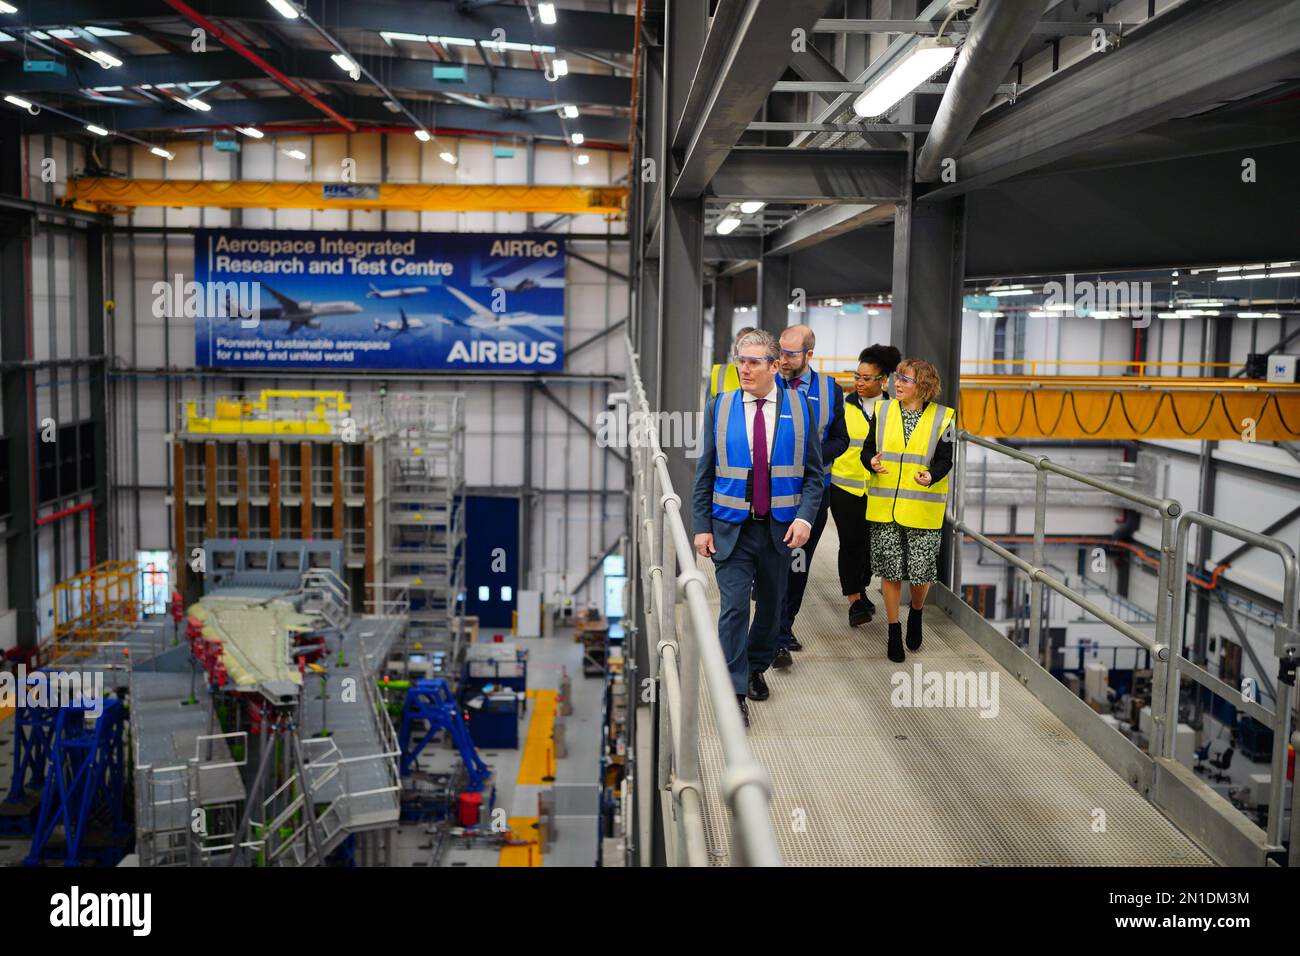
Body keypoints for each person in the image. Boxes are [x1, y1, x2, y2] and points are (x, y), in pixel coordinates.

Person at [693, 329, 824, 726]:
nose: (744, 369)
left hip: (778, 530)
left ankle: (755, 666)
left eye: (753, 362)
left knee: (771, 608)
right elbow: (705, 472)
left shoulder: (801, 407)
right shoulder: (721, 405)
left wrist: (804, 518)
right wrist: (701, 526)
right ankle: (734, 692)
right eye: (740, 361)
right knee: (732, 609)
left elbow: (815, 476)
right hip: (731, 527)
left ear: (773, 365)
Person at [860, 358, 956, 663]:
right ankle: (893, 631)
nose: (896, 384)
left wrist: (932, 475)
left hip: (922, 509)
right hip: (885, 507)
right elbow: (866, 449)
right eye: (897, 378)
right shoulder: (883, 410)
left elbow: (945, 459)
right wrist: (870, 462)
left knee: (919, 573)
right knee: (890, 572)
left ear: (923, 386)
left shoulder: (944, 418)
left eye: (905, 380)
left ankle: (916, 613)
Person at [772, 325, 848, 669]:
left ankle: (782, 629)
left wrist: (811, 455)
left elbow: (841, 438)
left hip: (812, 494)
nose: (782, 360)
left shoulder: (830, 390)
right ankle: (770, 628)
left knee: (797, 564)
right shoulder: (767, 383)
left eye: (790, 354)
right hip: (772, 492)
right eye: (780, 352)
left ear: (809, 355)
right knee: (772, 563)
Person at [828, 344, 900, 627]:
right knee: (850, 543)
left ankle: (863, 588)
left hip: (880, 489)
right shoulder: (842, 408)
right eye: (856, 376)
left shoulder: (894, 410)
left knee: (873, 545)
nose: (858, 382)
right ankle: (854, 600)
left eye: (866, 378)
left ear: (883, 381)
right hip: (845, 487)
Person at [707, 326, 757, 397]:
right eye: (737, 345)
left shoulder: (765, 374)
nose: (738, 349)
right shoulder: (719, 373)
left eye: (744, 345)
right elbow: (709, 406)